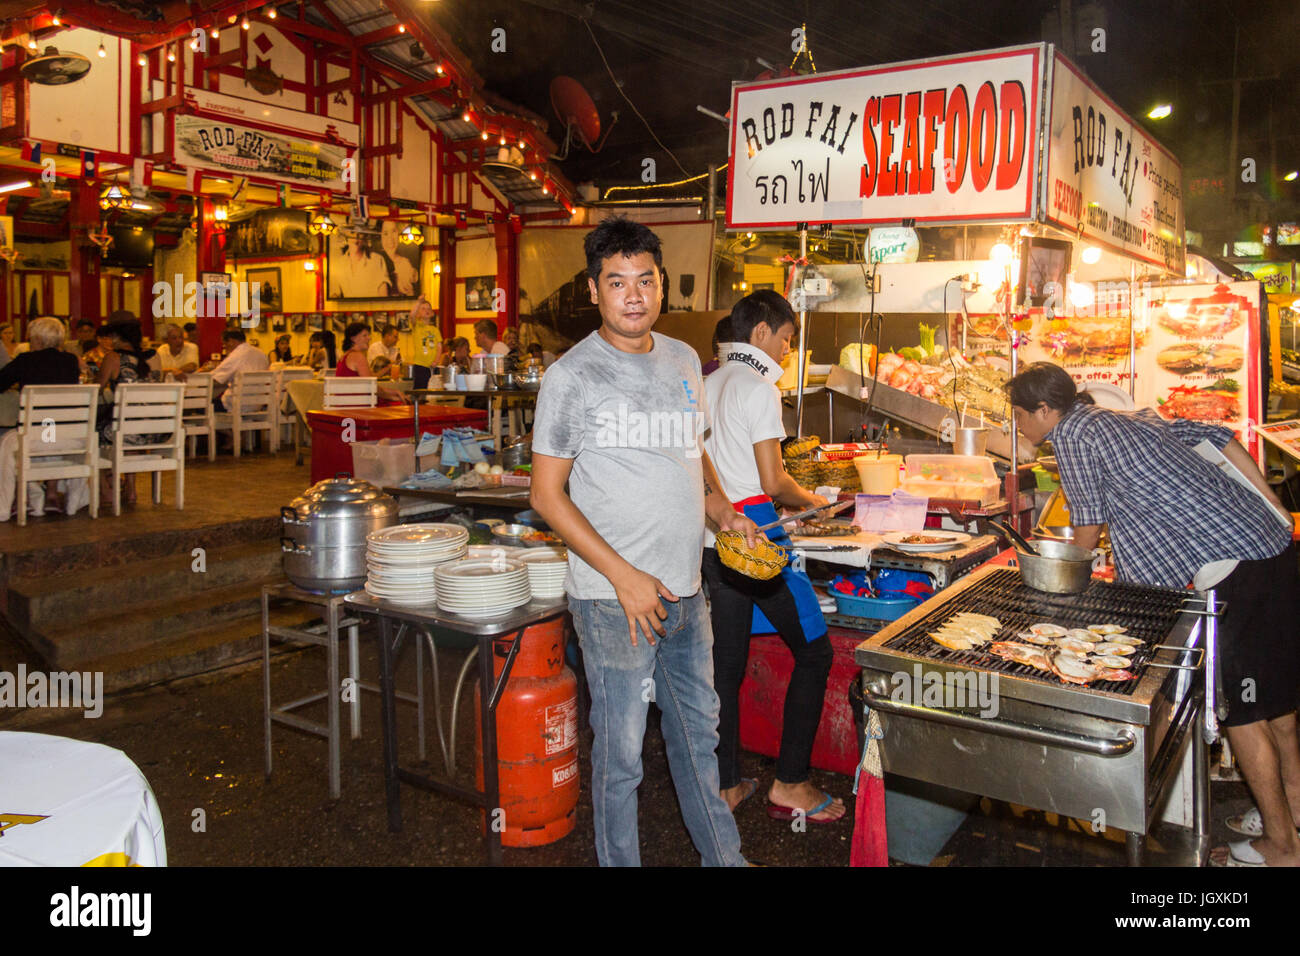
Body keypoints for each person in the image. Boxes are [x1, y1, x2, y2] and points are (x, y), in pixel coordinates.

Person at [1005, 361, 1300, 868]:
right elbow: (1219, 436)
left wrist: (1067, 589)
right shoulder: (1125, 416)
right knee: (1279, 706)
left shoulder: (1072, 435)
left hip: (1235, 568)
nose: (1018, 428)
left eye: (1019, 417)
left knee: (1242, 714)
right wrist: (1269, 500)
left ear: (1045, 410)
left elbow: (1088, 525)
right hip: (1272, 547)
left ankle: (1283, 846)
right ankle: (1292, 816)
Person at [529, 216, 758, 867]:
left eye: (646, 281)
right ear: (596, 293)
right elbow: (547, 496)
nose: (634, 295)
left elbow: (695, 451)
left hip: (687, 590)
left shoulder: (685, 359)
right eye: (617, 282)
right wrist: (625, 577)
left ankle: (725, 860)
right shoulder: (572, 378)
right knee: (623, 759)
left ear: (662, 287)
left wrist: (720, 507)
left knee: (698, 742)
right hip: (612, 602)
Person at [701, 290, 846, 824]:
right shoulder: (759, 387)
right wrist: (814, 503)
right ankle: (791, 782)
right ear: (761, 332)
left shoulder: (706, 381)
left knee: (728, 664)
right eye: (787, 339)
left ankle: (725, 785)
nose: (786, 352)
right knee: (815, 653)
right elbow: (771, 479)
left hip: (714, 538)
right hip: (758, 538)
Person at [0, 318, 83, 518]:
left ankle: (19, 499)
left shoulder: (25, 360)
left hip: (36, 436)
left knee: (6, 443)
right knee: (51, 424)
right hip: (67, 435)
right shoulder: (71, 361)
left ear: (37, 339)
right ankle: (52, 493)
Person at [96, 315, 160, 504]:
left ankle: (106, 489)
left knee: (94, 431)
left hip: (126, 430)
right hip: (156, 430)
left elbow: (95, 388)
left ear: (116, 337)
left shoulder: (113, 357)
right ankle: (130, 489)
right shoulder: (153, 357)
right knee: (130, 424)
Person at [337, 323, 407, 404]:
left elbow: (371, 381)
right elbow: (371, 387)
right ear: (353, 338)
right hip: (357, 404)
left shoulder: (345, 355)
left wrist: (394, 392)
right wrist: (392, 396)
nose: (369, 338)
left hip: (348, 400)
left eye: (368, 335)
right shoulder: (358, 357)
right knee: (402, 403)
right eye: (365, 335)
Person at [210, 328, 270, 410]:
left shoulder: (236, 355)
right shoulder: (262, 353)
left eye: (224, 344)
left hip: (236, 404)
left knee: (199, 405)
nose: (224, 347)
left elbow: (213, 379)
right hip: (258, 404)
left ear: (231, 341)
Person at [378, 220, 419, 297]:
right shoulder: (375, 261)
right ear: (380, 236)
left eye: (394, 231)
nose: (390, 238)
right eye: (386, 233)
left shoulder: (406, 264)